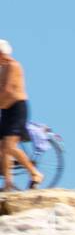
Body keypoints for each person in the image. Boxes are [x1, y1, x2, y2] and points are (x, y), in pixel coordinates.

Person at [0, 40, 44, 191]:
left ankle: (35, 173)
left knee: (10, 146)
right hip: (6, 109)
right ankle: (8, 184)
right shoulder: (3, 67)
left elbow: (8, 91)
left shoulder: (13, 66)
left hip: (17, 109)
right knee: (3, 147)